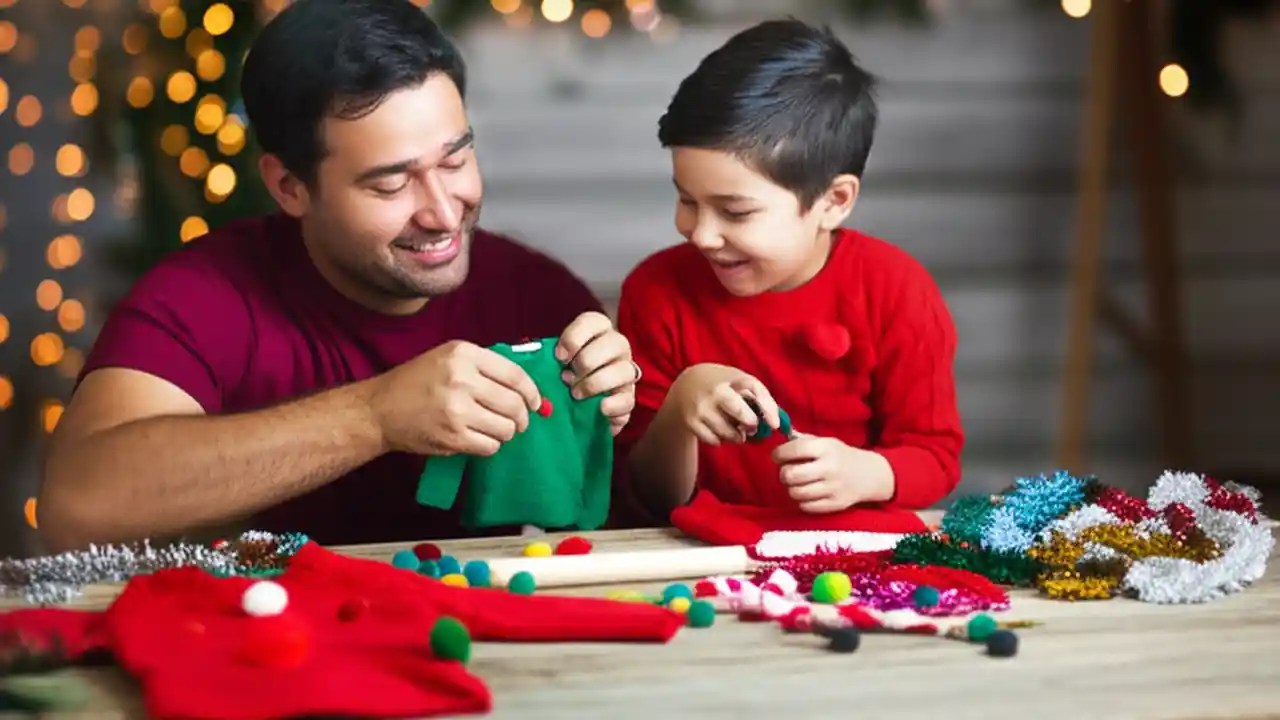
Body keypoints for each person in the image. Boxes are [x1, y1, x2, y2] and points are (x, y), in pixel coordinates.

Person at [37, 0, 639, 551]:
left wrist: (623, 409)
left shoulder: (538, 295)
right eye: (390, 183)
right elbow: (79, 506)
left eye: (456, 159)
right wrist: (375, 417)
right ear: (289, 187)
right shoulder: (200, 298)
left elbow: (636, 516)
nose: (443, 211)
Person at [615, 19, 964, 524]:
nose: (701, 234)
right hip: (696, 565)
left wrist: (865, 472)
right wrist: (679, 410)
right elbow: (645, 495)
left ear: (833, 201)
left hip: (847, 566)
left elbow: (936, 458)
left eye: (735, 212)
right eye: (686, 200)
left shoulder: (896, 291)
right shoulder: (656, 292)